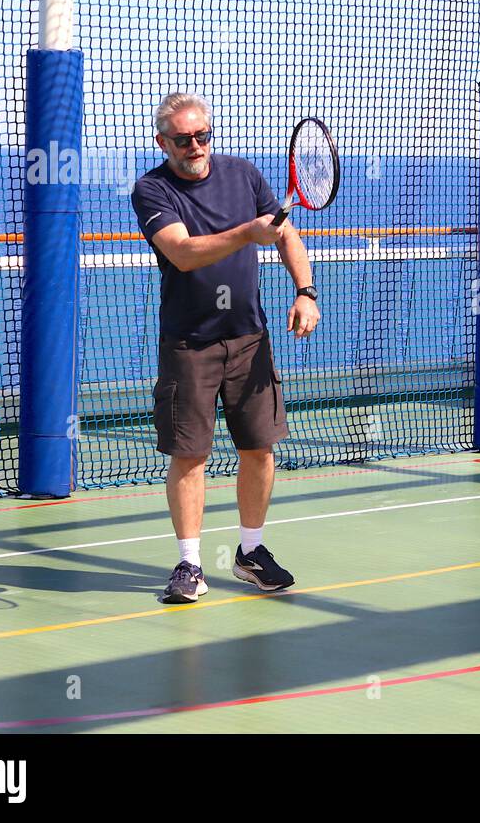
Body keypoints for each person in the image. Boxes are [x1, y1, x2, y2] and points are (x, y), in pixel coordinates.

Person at [130, 92, 320, 603]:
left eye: (202, 135)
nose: (195, 146)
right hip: (190, 343)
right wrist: (248, 232)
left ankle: (251, 552)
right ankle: (190, 565)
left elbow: (285, 236)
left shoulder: (243, 174)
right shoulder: (151, 190)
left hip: (249, 338)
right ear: (162, 142)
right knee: (190, 454)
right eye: (183, 139)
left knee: (259, 447)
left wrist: (305, 291)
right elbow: (184, 253)